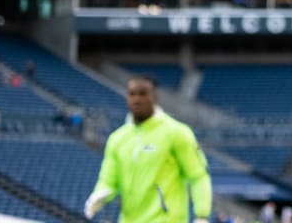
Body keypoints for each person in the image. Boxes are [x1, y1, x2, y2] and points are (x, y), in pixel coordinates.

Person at [85, 76, 212, 222]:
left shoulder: (176, 132)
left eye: (143, 93)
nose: (137, 99)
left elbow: (198, 176)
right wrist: (100, 195)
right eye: (132, 94)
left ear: (155, 96)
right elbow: (108, 180)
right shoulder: (117, 139)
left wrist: (202, 215)